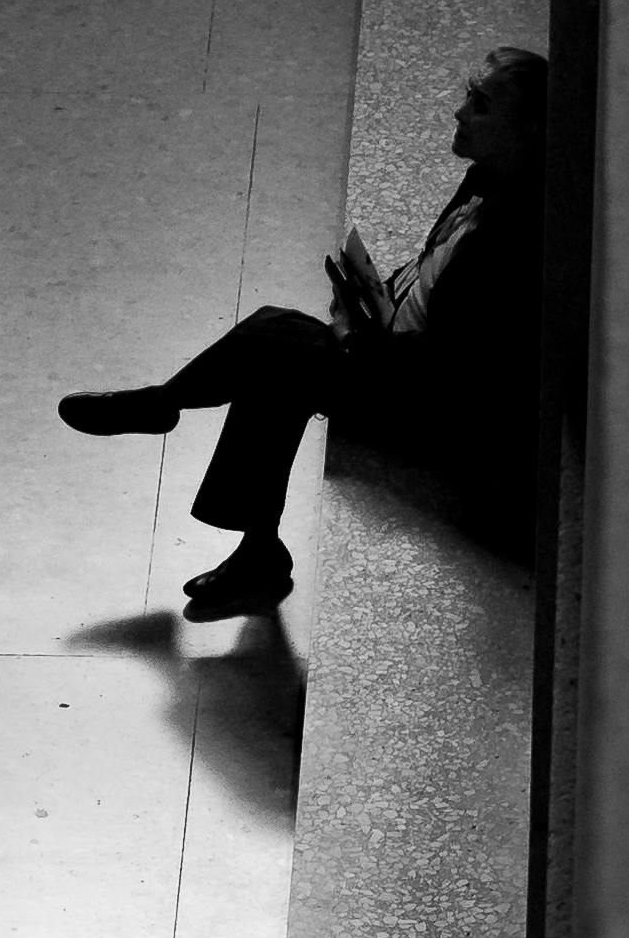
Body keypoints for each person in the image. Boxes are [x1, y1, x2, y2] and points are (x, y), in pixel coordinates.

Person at [60, 45, 548, 621]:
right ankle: (253, 543)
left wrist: (351, 338)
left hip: (433, 406)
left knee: (274, 336)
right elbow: (432, 272)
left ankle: (167, 408)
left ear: (527, 129)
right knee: (277, 362)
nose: (459, 112)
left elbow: (449, 370)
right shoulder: (485, 179)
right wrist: (371, 297)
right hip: (391, 350)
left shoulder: (515, 243)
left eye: (481, 104)